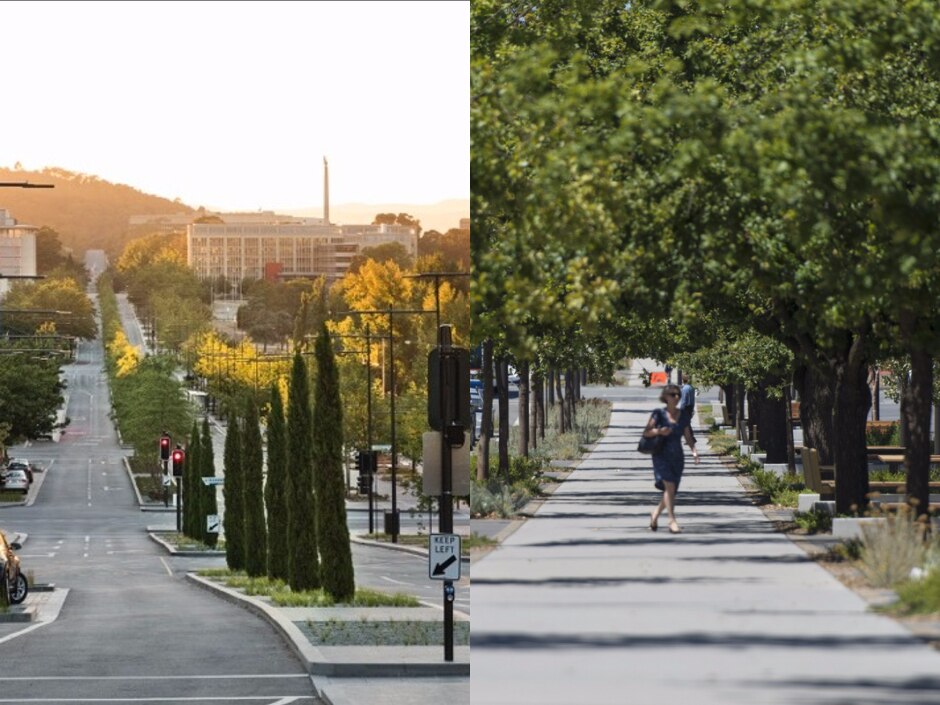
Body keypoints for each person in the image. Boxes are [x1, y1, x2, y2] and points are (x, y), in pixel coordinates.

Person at [644, 383, 699, 534]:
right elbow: (647, 432)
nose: (676, 397)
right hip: (661, 455)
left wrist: (694, 451)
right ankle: (671, 520)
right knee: (669, 487)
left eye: (678, 395)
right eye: (672, 395)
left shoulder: (683, 416)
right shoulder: (658, 414)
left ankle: (655, 514)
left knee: (671, 490)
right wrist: (659, 431)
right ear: (665, 397)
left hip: (677, 457)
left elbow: (688, 436)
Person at [679, 373, 697, 446]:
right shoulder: (691, 387)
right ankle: (691, 438)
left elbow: (683, 400)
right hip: (690, 407)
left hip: (685, 407)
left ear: (683, 380)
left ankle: (691, 438)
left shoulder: (685, 389)